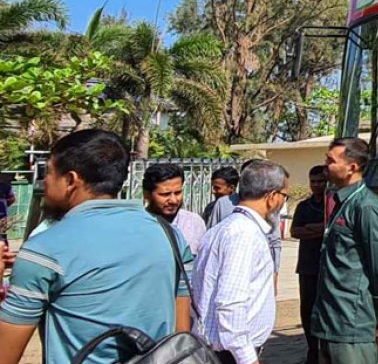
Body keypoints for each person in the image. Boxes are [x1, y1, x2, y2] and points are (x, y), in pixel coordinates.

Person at [0, 130, 192, 364]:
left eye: (49, 173)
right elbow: (181, 342)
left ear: (71, 180)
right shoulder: (169, 235)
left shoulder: (45, 249)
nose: (44, 182)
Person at [192, 161, 290, 364]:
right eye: (284, 196)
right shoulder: (243, 234)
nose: (282, 202)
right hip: (229, 355)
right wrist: (246, 358)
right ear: (271, 197)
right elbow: (230, 303)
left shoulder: (229, 228)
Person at [311, 138, 378, 363]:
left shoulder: (366, 206)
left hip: (351, 325)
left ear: (352, 167)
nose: (325, 166)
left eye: (331, 161)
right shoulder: (342, 201)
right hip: (329, 321)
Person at [207, 160, 283, 276]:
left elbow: (274, 242)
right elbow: (211, 238)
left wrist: (275, 273)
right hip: (227, 267)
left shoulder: (269, 205)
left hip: (258, 268)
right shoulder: (223, 204)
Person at [291, 165, 329, 364]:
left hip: (328, 267)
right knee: (307, 308)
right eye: (313, 181)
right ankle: (312, 349)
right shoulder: (304, 207)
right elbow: (295, 231)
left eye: (320, 181)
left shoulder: (334, 205)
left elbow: (334, 228)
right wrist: (321, 230)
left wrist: (316, 229)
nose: (316, 185)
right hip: (307, 266)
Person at [144, 163, 207, 254]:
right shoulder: (138, 225)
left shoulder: (194, 223)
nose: (173, 200)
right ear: (147, 194)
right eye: (165, 194)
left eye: (178, 193)